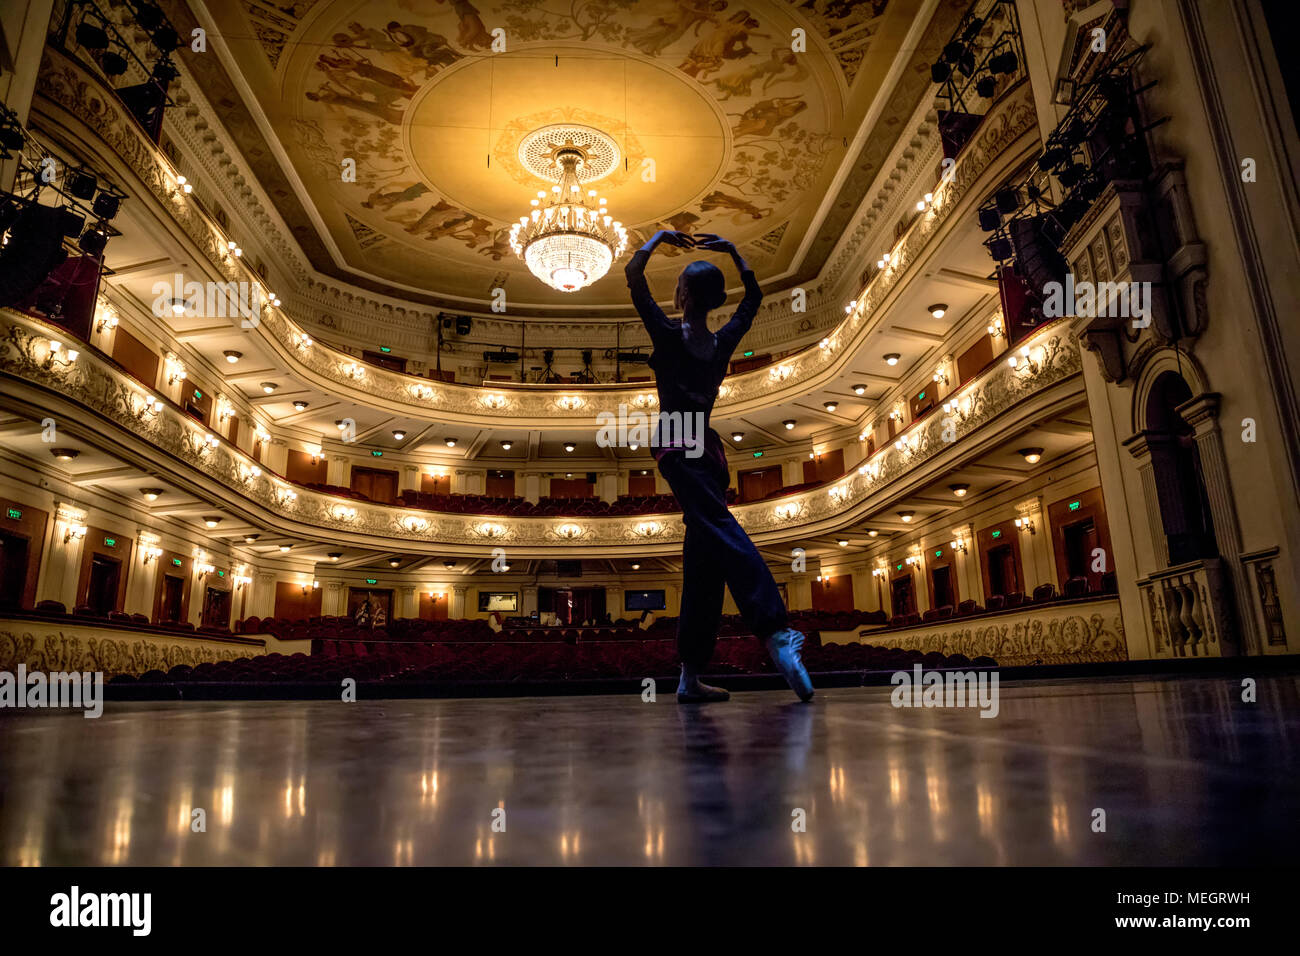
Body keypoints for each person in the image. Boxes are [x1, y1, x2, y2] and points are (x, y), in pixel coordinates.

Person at [625, 230, 814, 703]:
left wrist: (658, 238)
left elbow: (634, 277)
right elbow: (753, 297)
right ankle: (746, 644)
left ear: (684, 295)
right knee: (711, 537)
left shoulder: (667, 334)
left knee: (706, 555)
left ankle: (765, 637)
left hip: (676, 441)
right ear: (712, 299)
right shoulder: (723, 340)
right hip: (706, 449)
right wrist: (733, 249)